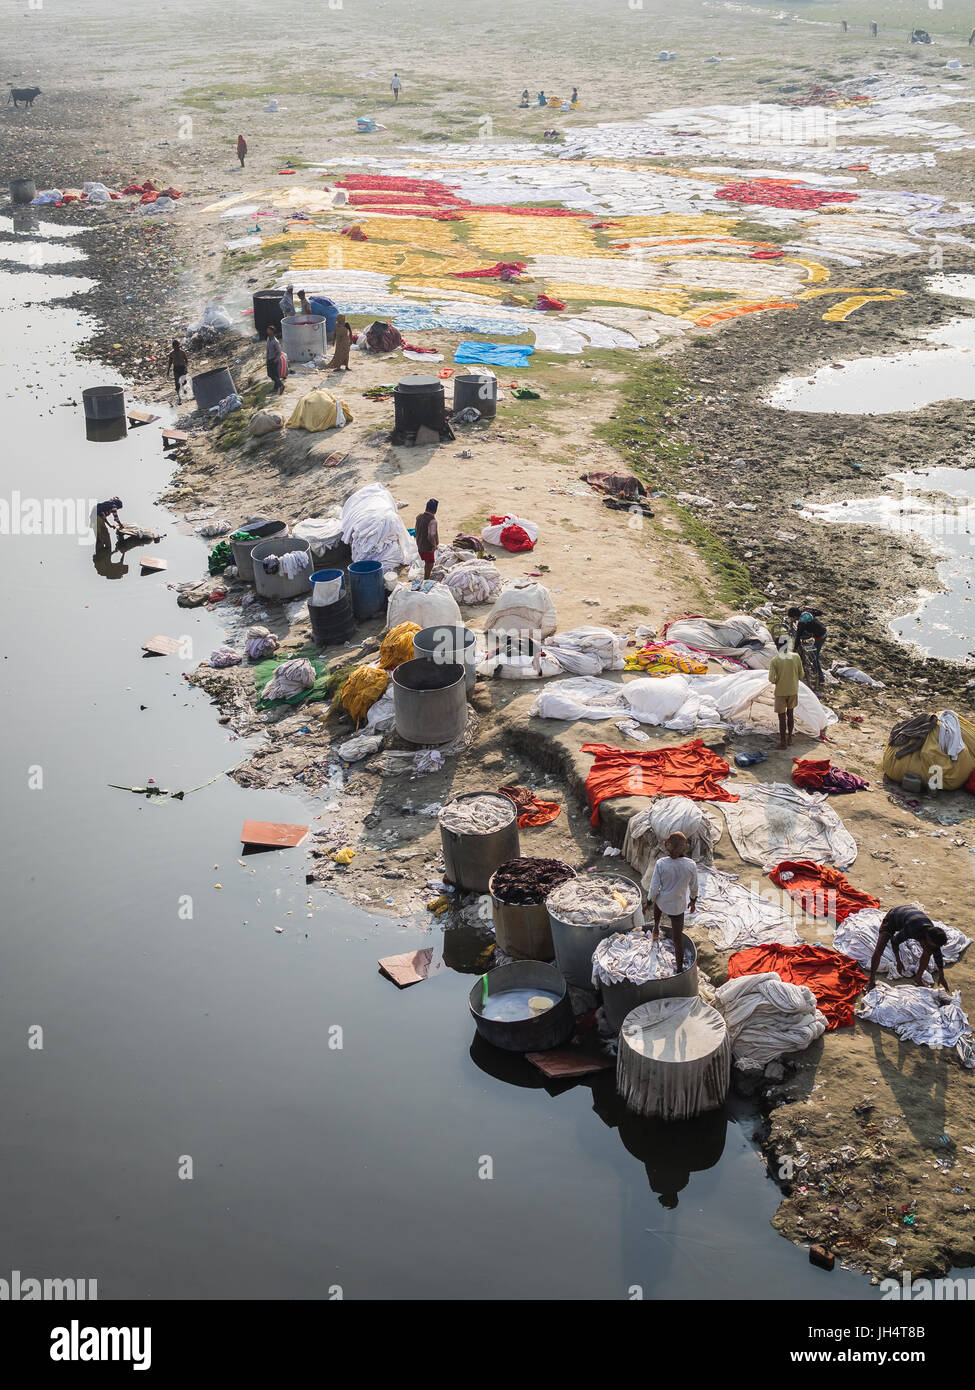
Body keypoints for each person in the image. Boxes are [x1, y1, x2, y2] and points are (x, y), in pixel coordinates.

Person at [646, 832, 698, 974]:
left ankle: (656, 929)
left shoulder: (661, 864)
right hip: (678, 907)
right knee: (677, 940)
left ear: (667, 846)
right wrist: (693, 901)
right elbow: (694, 887)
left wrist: (649, 902)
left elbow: (654, 887)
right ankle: (680, 970)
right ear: (684, 848)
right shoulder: (691, 865)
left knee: (658, 903)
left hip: (663, 902)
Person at [867, 906, 949, 990]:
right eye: (929, 944)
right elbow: (895, 941)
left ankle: (918, 978)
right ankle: (871, 979)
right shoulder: (913, 929)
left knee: (928, 952)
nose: (931, 946)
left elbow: (937, 954)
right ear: (926, 938)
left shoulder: (932, 936)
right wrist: (899, 961)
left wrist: (941, 975)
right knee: (879, 949)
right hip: (893, 917)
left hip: (910, 915)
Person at [768, 634, 803, 749]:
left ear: (778, 647)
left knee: (781, 717)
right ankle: (790, 739)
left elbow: (771, 679)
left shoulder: (775, 660)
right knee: (790, 714)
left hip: (781, 691)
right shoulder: (796, 657)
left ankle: (782, 742)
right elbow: (801, 674)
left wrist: (780, 679)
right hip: (793, 690)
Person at [787, 605, 827, 677]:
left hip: (820, 637)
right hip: (822, 630)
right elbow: (820, 612)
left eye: (793, 617)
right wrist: (811, 608)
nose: (793, 619)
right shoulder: (807, 613)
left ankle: (820, 677)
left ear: (795, 616)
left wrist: (795, 648)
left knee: (814, 657)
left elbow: (798, 637)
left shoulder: (801, 623)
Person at [415, 499, 439, 580]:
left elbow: (416, 530)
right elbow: (431, 535)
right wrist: (434, 546)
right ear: (435, 509)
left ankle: (426, 578)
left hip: (420, 546)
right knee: (430, 564)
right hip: (428, 548)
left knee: (426, 563)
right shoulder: (432, 521)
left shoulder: (419, 517)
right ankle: (426, 581)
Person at [166, 338, 188, 403]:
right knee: (177, 384)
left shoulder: (182, 352)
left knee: (184, 382)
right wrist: (168, 371)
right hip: (176, 369)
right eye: (175, 346)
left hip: (182, 368)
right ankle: (179, 397)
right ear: (173, 347)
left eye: (177, 346)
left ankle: (184, 389)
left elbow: (186, 360)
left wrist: (186, 367)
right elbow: (170, 363)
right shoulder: (171, 354)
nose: (177, 348)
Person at [265, 325, 285, 395]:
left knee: (272, 374)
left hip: (273, 360)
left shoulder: (275, 341)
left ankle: (281, 385)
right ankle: (276, 388)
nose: (267, 331)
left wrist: (276, 359)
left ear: (272, 332)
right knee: (273, 375)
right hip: (269, 359)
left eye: (269, 330)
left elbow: (279, 352)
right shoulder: (268, 339)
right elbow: (267, 350)